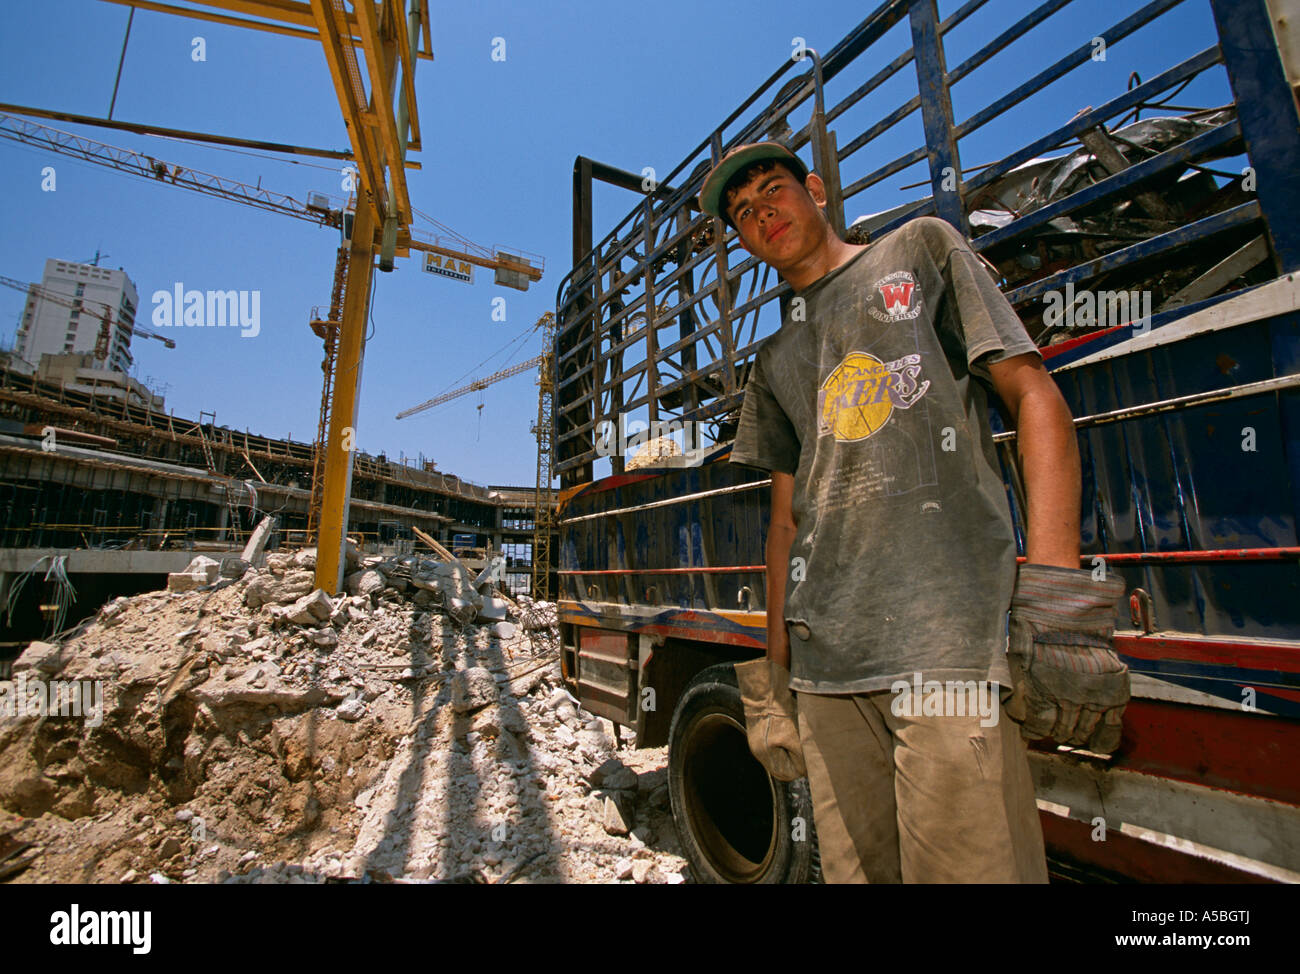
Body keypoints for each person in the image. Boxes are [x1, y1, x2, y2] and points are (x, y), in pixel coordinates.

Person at [700, 142, 1128, 884]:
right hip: (827, 676)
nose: (761, 212)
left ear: (816, 190)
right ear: (741, 240)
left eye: (772, 190)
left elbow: (1035, 399)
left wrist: (1057, 604)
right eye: (743, 212)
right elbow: (785, 526)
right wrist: (774, 679)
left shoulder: (920, 250)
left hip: (945, 653)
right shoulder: (775, 361)